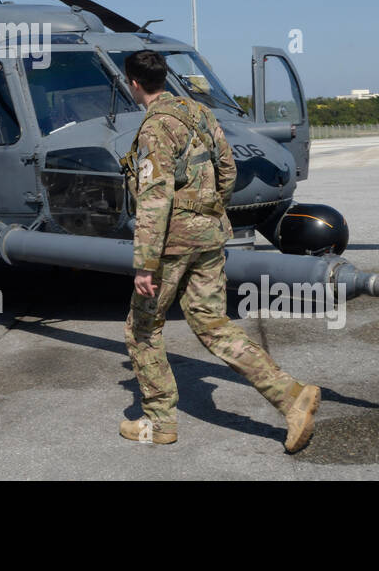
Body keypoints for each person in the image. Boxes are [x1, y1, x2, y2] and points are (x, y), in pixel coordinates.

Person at [118, 50, 320, 452]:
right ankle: (289, 396)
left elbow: (155, 196)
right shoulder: (200, 113)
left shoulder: (156, 128)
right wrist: (206, 210)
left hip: (172, 243)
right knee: (212, 323)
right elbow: (228, 169)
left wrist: (145, 263)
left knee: (142, 329)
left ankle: (160, 421)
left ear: (135, 84)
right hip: (210, 235)